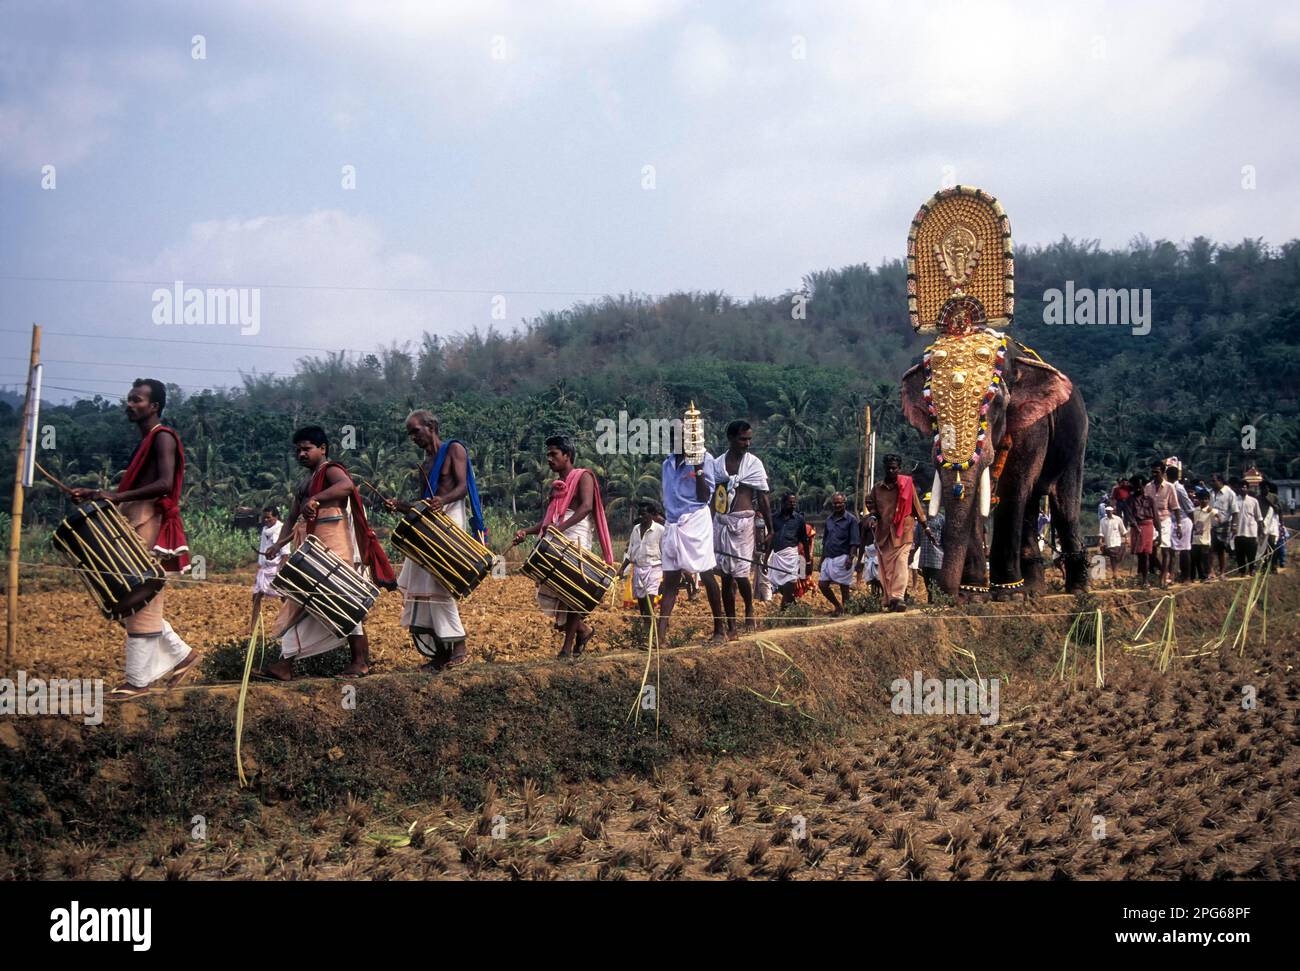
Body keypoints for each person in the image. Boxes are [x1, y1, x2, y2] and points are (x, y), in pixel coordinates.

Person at [70, 378, 198, 701]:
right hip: (136, 518)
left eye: (137, 400)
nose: (130, 404)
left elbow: (166, 484)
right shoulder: (146, 441)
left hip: (150, 522)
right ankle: (183, 656)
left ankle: (137, 682)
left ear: (154, 406)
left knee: (141, 596)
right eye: (129, 399)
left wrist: (115, 495)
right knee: (135, 596)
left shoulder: (163, 438)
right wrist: (98, 495)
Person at [262, 426, 395, 680]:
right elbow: (292, 517)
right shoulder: (303, 483)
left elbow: (347, 486)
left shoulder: (331, 470)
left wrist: (317, 499)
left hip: (333, 549)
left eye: (307, 448)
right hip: (311, 550)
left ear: (322, 449)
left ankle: (359, 661)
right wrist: (278, 545)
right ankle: (286, 664)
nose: (302, 454)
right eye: (298, 450)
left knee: (340, 600)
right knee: (303, 601)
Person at [383, 410, 486, 671]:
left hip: (449, 524)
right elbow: (422, 504)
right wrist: (400, 506)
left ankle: (459, 646)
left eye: (415, 430)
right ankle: (440, 654)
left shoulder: (454, 450)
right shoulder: (425, 465)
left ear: (431, 427)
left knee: (441, 585)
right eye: (409, 433)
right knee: (420, 589)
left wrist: (444, 500)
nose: (412, 437)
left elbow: (463, 487)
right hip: (429, 527)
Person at [511, 435, 614, 657]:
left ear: (567, 455)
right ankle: (583, 630)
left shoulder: (583, 476)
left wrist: (562, 527)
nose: (549, 459)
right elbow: (549, 519)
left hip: (575, 536)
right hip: (556, 535)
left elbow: (586, 507)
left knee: (573, 590)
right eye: (547, 454)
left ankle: (566, 649)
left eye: (553, 454)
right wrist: (527, 532)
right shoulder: (554, 486)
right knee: (556, 589)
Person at [655, 445, 726, 645]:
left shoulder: (706, 458)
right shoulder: (667, 463)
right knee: (670, 579)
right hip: (673, 522)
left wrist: (698, 467)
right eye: (672, 438)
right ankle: (660, 638)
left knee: (706, 574)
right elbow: (668, 495)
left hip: (695, 520)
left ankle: (720, 629)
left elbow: (705, 497)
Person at [711, 420, 772, 636]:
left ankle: (748, 608)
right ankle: (731, 625)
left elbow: (763, 498)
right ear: (730, 439)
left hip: (744, 524)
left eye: (749, 439)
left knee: (741, 574)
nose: (747, 443)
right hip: (722, 523)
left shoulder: (754, 464)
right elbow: (714, 498)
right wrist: (710, 526)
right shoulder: (718, 465)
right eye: (742, 439)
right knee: (726, 577)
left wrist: (770, 529)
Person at [867, 454, 933, 613]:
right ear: (884, 468)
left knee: (901, 565)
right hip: (884, 533)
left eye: (894, 468)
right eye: (888, 468)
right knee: (887, 569)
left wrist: (926, 528)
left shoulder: (907, 485)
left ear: (899, 469)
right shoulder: (877, 488)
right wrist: (873, 517)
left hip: (904, 531)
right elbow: (873, 507)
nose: (891, 471)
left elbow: (917, 507)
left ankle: (898, 597)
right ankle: (890, 598)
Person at [618, 500, 665, 628]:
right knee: (642, 602)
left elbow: (665, 552)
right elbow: (631, 551)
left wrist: (665, 576)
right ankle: (647, 625)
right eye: (639, 514)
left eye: (644, 514)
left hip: (654, 568)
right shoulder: (636, 529)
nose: (641, 517)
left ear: (651, 515)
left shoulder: (660, 530)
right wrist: (622, 568)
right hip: (639, 569)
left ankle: (649, 629)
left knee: (650, 601)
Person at [817, 492, 860, 616]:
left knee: (844, 587)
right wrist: (821, 560)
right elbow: (825, 541)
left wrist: (850, 558)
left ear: (844, 503)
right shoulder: (829, 520)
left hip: (844, 557)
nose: (837, 505)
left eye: (840, 503)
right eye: (835, 503)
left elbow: (854, 541)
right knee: (822, 584)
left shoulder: (851, 520)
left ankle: (847, 611)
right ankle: (838, 606)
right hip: (829, 558)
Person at [249, 506, 289, 635]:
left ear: (276, 517)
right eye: (264, 518)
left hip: (275, 569)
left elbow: (285, 554)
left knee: (284, 598)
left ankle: (288, 624)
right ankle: (252, 628)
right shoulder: (265, 530)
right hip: (265, 569)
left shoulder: (282, 530)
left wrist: (281, 571)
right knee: (256, 596)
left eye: (269, 518)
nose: (266, 520)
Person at [765, 492, 807, 608]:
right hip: (777, 556)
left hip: (791, 556)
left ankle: (783, 610)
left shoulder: (799, 519)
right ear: (782, 503)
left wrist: (807, 561)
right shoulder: (773, 518)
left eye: (794, 503)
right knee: (782, 587)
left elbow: (804, 541)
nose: (793, 505)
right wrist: (765, 560)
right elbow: (770, 540)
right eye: (790, 502)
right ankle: (794, 608)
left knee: (790, 582)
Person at [1144, 462, 1178, 587]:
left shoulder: (1169, 487)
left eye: (1156, 472)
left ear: (1163, 473)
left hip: (1165, 520)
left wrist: (1178, 525)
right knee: (1150, 549)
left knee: (1165, 549)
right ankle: (1160, 571)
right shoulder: (1148, 487)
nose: (1154, 474)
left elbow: (1175, 506)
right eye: (1152, 472)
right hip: (1151, 520)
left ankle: (1162, 579)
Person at [1166, 461, 1194, 583]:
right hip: (1172, 521)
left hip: (1183, 520)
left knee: (1184, 550)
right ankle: (1171, 576)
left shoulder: (1179, 489)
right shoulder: (1168, 487)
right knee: (1171, 550)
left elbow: (1189, 507)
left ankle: (1186, 576)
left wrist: (1193, 524)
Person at [913, 495, 945, 602]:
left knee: (935, 580)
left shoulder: (941, 520)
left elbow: (945, 538)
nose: (928, 505)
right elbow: (917, 541)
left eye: (930, 502)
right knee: (927, 581)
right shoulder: (921, 521)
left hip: (937, 557)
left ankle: (936, 601)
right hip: (925, 558)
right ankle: (931, 601)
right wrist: (911, 556)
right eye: (926, 503)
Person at [1128, 475, 1156, 588]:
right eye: (1137, 486)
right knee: (1140, 554)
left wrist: (1159, 532)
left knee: (1146, 554)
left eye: (1141, 486)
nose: (1139, 488)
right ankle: (1140, 578)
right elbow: (1129, 515)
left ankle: (1145, 580)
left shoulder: (1150, 500)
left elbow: (1156, 517)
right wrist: (1134, 524)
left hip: (1148, 526)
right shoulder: (1129, 500)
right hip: (1137, 527)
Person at [1209, 473, 1238, 579]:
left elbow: (1235, 511)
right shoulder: (1210, 493)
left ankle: (1222, 573)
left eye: (1213, 481)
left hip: (1225, 524)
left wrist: (1234, 526)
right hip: (1211, 524)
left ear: (1220, 481)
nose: (1212, 483)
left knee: (1222, 549)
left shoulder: (1230, 493)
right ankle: (1211, 572)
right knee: (1210, 548)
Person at [1234, 479, 1265, 575]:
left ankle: (1252, 570)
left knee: (1251, 553)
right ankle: (1242, 571)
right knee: (1240, 554)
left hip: (1251, 532)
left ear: (1247, 489)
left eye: (1245, 487)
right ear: (1238, 489)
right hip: (1238, 532)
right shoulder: (1234, 500)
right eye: (1241, 487)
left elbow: (1259, 517)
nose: (1243, 489)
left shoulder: (1253, 501)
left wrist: (1261, 530)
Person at [1190, 489, 1216, 582]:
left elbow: (1218, 517)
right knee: (1195, 558)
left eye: (1206, 499)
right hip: (1195, 539)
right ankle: (1197, 576)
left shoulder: (1210, 510)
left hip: (1205, 540)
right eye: (1202, 499)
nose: (1204, 501)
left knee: (1205, 558)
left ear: (1208, 500)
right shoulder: (1195, 510)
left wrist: (1212, 513)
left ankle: (1205, 576)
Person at [1099, 504, 1126, 580]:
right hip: (1108, 541)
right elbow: (1101, 532)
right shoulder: (1103, 520)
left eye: (1110, 511)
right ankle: (1115, 572)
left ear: (1113, 511)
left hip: (1117, 540)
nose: (1108, 513)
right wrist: (1101, 540)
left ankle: (1115, 572)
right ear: (1106, 511)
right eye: (1107, 511)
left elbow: (1123, 529)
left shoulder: (1118, 519)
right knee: (1112, 557)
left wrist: (1126, 538)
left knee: (1117, 557)